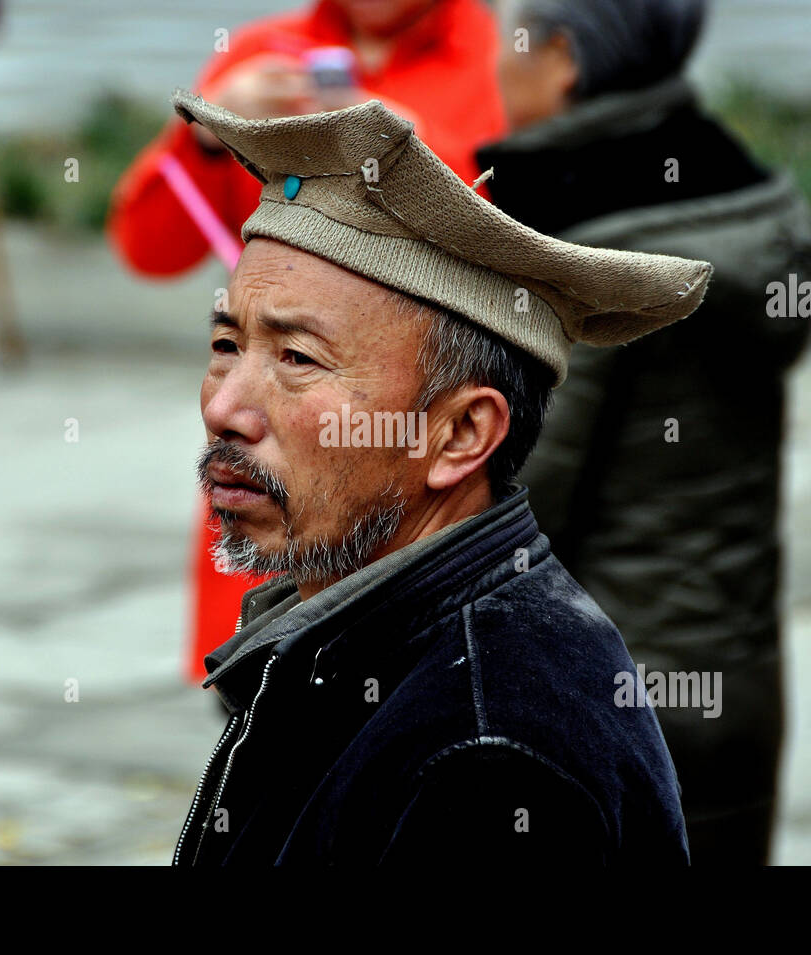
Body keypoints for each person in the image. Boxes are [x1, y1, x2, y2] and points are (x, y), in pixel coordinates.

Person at [164, 87, 713, 865]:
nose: (224, 405)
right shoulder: (344, 643)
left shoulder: (488, 767)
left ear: (458, 434)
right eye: (226, 344)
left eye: (296, 358)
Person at [477, 0, 811, 864]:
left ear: (561, 58)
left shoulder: (569, 246)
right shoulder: (746, 199)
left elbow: (506, 513)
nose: (493, 63)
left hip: (590, 696)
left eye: (509, 40)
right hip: (737, 683)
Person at [105, 0, 512, 689]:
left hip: (417, 443)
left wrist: (410, 145)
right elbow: (146, 248)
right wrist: (210, 134)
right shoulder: (264, 53)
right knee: (257, 706)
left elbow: (542, 249)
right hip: (275, 438)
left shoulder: (503, 59)